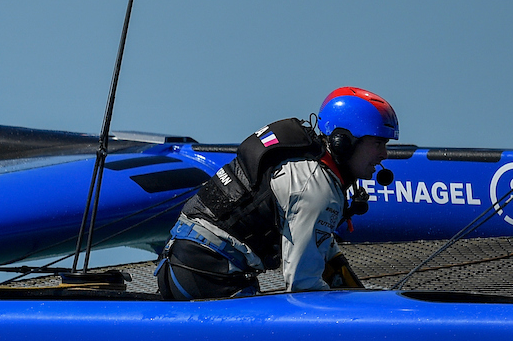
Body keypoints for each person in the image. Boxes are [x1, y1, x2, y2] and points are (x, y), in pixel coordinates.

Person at [156, 86, 398, 299]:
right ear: (343, 142)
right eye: (378, 143)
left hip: (183, 264)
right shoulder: (316, 187)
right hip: (207, 276)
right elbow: (303, 287)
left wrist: (356, 292)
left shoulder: (305, 164)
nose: (384, 155)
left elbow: (321, 246)